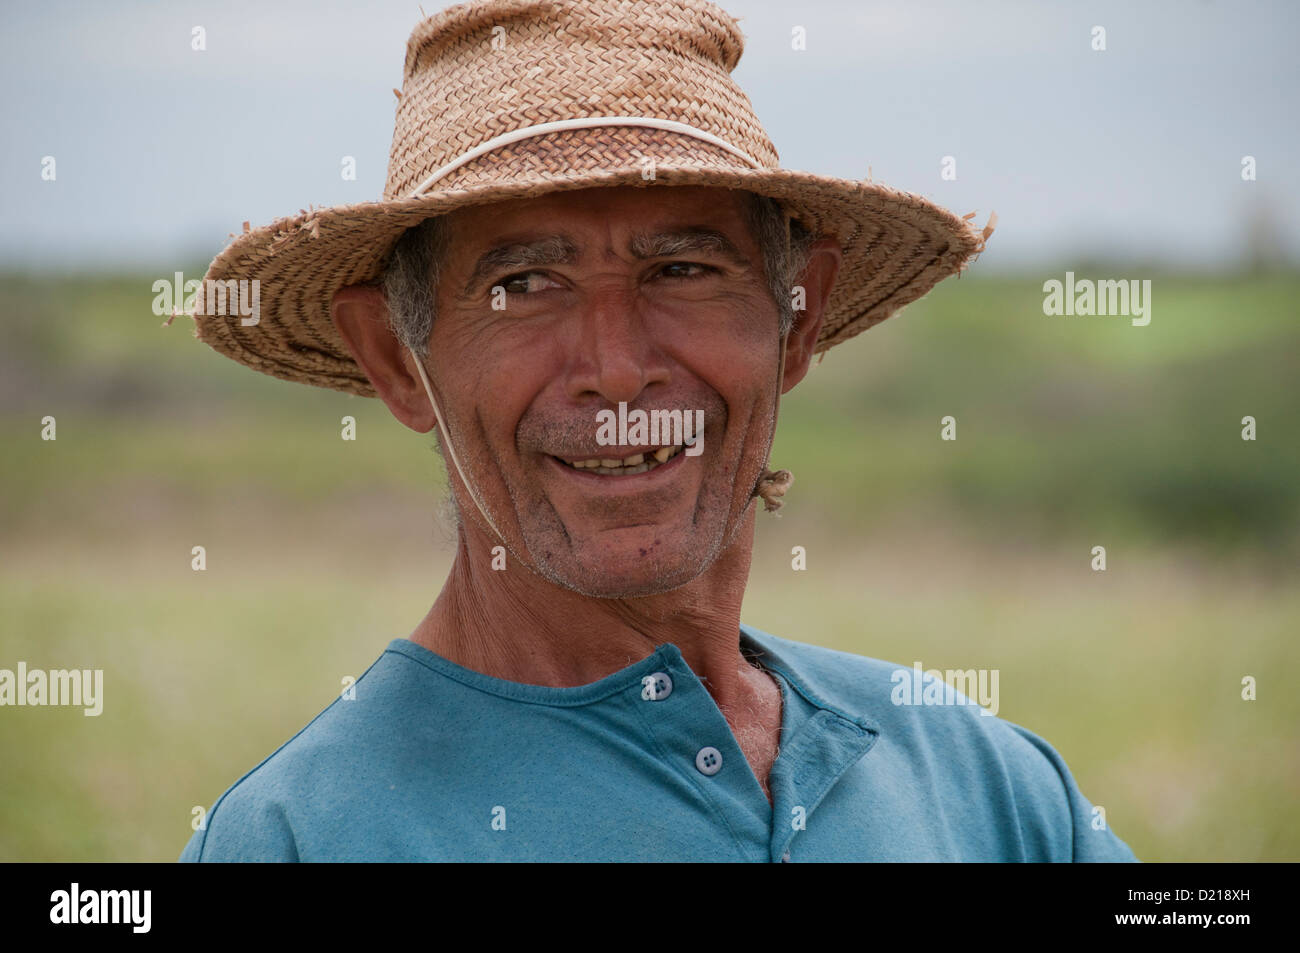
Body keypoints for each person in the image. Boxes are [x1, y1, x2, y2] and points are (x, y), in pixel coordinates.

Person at [181, 0, 1134, 862]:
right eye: (522, 286)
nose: (617, 366)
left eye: (681, 268)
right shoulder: (304, 837)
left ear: (797, 321)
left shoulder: (985, 787)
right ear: (398, 360)